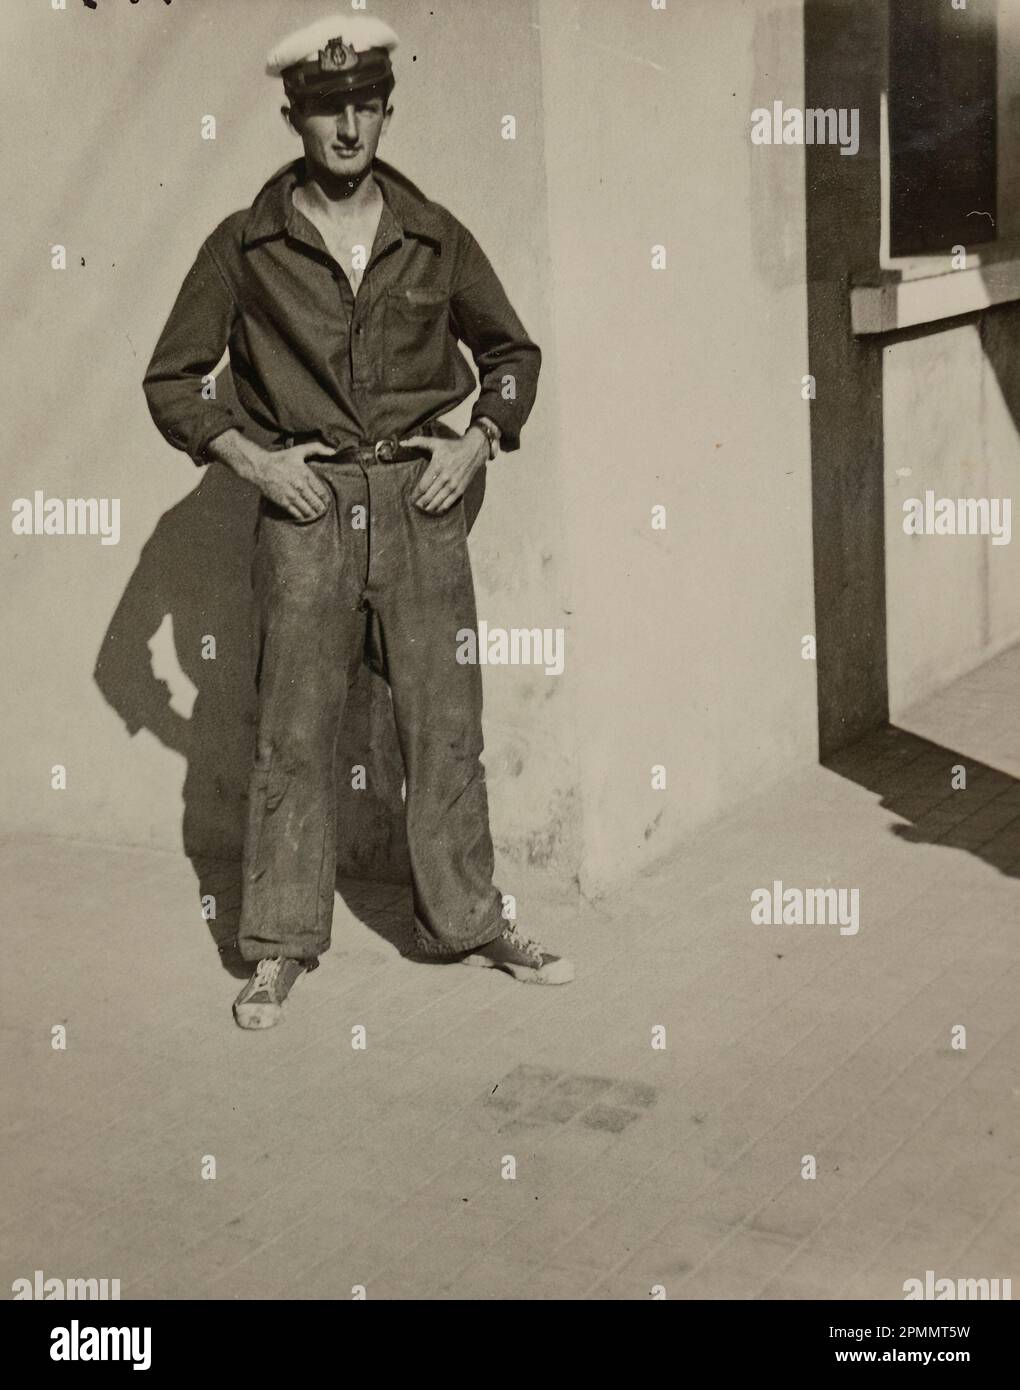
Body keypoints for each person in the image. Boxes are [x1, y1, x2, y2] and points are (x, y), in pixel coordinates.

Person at [142, 13, 574, 1030]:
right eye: (327, 110)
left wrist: (477, 443)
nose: (348, 128)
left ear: (387, 109)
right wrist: (251, 459)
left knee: (445, 722)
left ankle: (469, 920)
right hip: (310, 508)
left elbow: (514, 356)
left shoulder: (436, 234)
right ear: (295, 118)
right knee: (294, 732)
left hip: (422, 509)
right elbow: (171, 381)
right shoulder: (244, 247)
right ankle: (279, 947)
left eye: (364, 107)